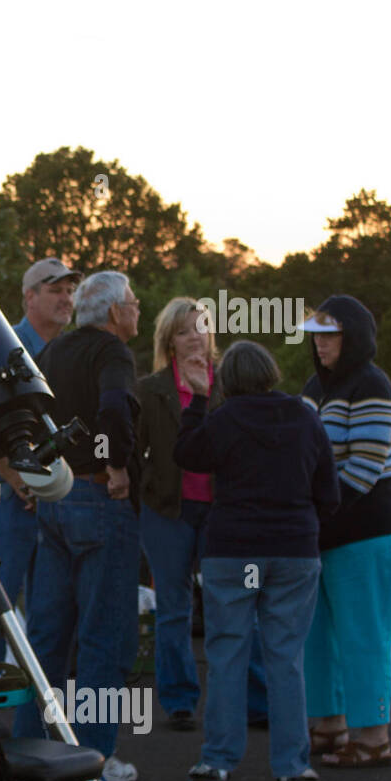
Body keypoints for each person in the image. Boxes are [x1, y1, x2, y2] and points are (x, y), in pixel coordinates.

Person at [174, 341, 339, 781]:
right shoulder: (306, 417)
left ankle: (218, 761)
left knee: (227, 653)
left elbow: (186, 455)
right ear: (270, 371)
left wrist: (198, 400)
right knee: (286, 657)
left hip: (233, 548)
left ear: (227, 379)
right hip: (294, 548)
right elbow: (330, 492)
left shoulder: (225, 420)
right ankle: (292, 764)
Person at [15, 271, 141, 781]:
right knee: (102, 635)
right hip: (96, 498)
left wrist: (33, 473)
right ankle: (96, 755)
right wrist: (118, 462)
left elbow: (27, 413)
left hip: (55, 500)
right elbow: (114, 405)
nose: (137, 309)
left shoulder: (54, 351)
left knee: (46, 632)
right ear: (114, 313)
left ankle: (28, 746)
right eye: (133, 302)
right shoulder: (112, 353)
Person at [299, 296, 391, 767]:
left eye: (330, 335)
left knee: (365, 635)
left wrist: (311, 512)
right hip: (322, 529)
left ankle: (373, 737)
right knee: (317, 634)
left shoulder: (372, 385)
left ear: (354, 336)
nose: (320, 344)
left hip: (366, 528)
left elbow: (364, 469)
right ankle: (328, 726)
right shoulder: (313, 386)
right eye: (316, 335)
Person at [0, 258, 81, 663]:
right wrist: (15, 476)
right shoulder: (4, 344)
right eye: (55, 290)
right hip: (10, 498)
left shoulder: (69, 351)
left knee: (49, 611)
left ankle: (34, 713)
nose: (66, 298)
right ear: (29, 296)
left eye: (70, 290)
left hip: (55, 495)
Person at [136, 297, 218, 730]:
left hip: (221, 510)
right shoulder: (149, 389)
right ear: (169, 340)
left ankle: (253, 699)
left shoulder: (227, 384)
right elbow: (134, 451)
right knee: (174, 607)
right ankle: (180, 700)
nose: (195, 337)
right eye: (185, 330)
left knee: (232, 602)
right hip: (167, 511)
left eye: (200, 328)